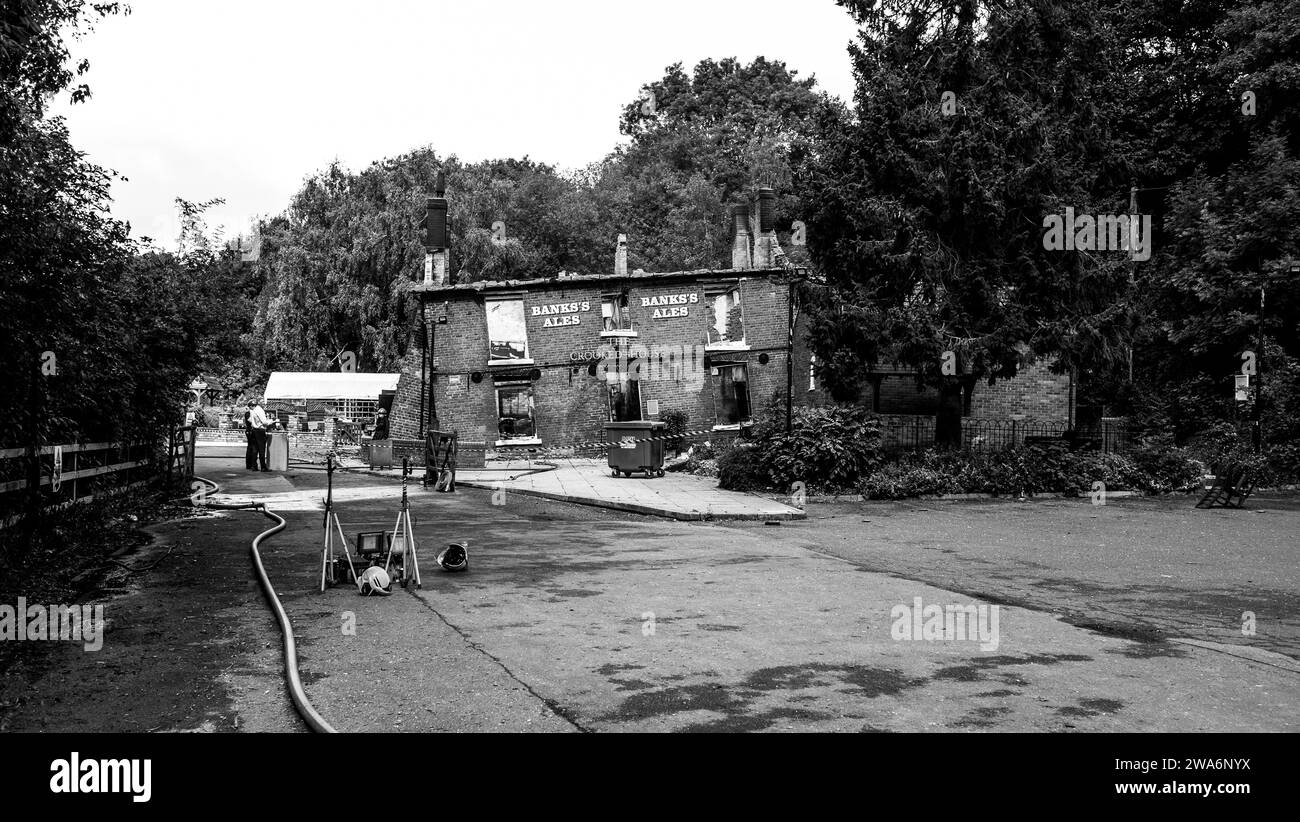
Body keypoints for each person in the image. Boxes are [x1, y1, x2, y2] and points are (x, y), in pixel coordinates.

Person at [248, 398, 271, 471]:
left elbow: (249, 420)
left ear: (252, 405)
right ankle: (263, 467)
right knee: (261, 449)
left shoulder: (252, 411)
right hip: (260, 430)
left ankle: (254, 466)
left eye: (250, 406)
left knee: (255, 449)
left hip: (254, 430)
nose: (249, 408)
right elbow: (264, 422)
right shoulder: (259, 410)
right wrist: (271, 421)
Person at [243, 404, 258, 470]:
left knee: (250, 447)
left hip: (250, 431)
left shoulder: (251, 413)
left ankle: (249, 464)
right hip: (250, 431)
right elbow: (250, 420)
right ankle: (250, 464)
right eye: (253, 406)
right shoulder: (248, 413)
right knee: (251, 447)